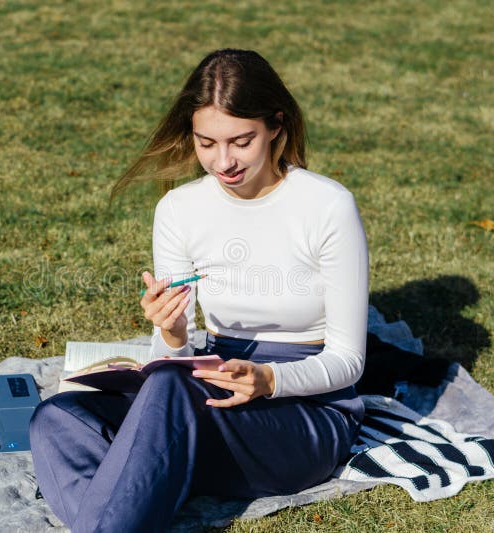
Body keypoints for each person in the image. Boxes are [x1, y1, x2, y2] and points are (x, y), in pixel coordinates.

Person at [29, 48, 369, 533]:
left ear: (276, 126)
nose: (223, 161)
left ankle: (125, 505)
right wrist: (170, 331)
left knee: (168, 392)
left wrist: (270, 380)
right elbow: (178, 353)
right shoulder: (178, 210)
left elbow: (349, 361)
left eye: (241, 141)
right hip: (208, 389)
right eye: (206, 143)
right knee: (58, 419)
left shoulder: (327, 206)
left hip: (305, 411)